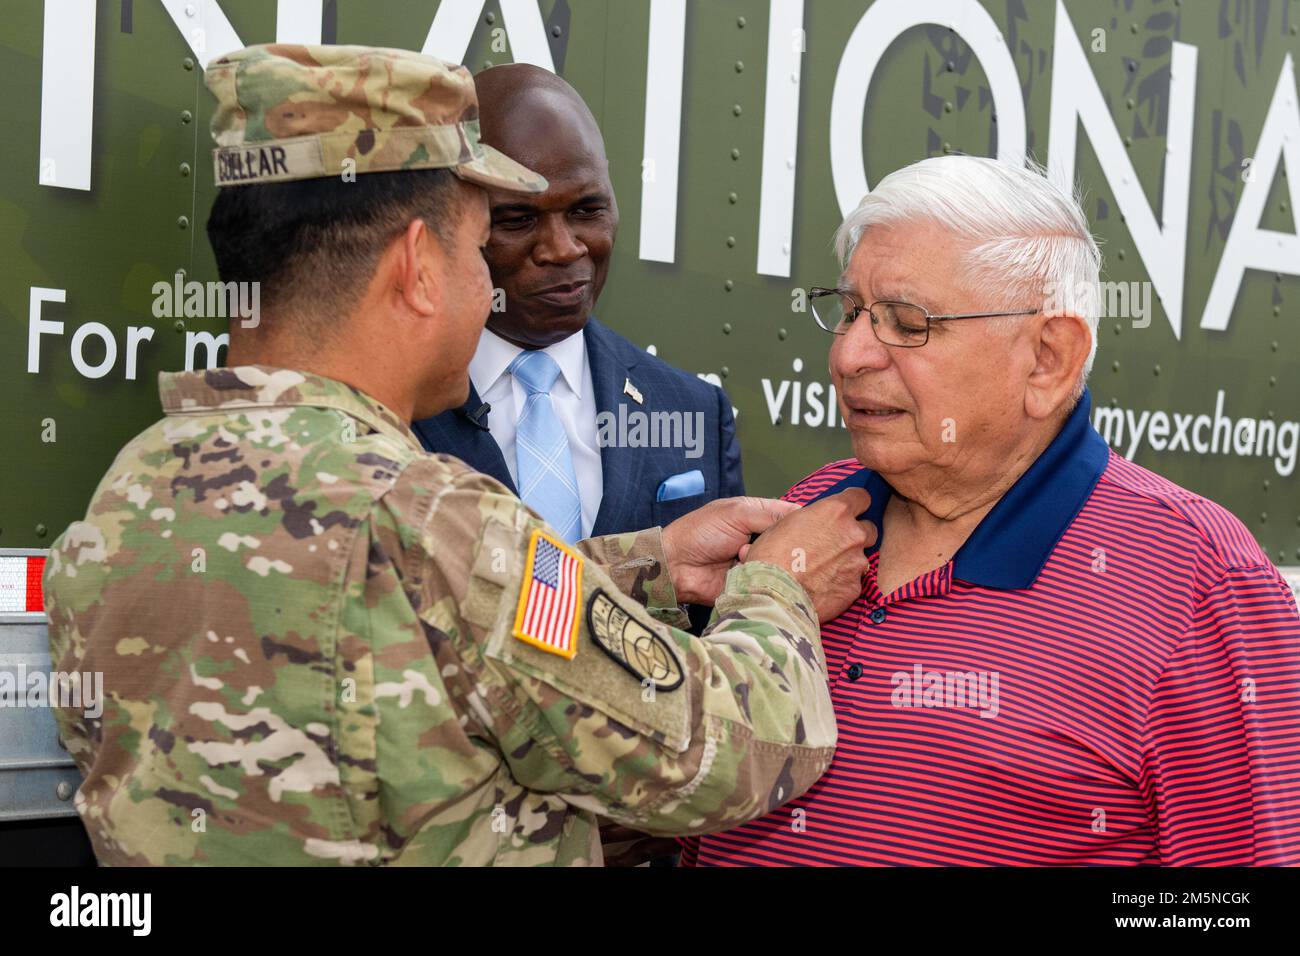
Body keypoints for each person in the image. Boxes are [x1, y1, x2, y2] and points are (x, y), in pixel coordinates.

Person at [41, 43, 874, 866]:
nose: (496, 284)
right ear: (418, 268)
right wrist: (780, 588)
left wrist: (648, 564)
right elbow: (725, 754)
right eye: (481, 248)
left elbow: (405, 621)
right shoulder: (432, 520)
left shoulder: (137, 489)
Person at [682, 155, 1300, 867]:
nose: (848, 355)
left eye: (907, 323)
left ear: (1048, 358)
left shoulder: (1200, 578)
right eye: (850, 311)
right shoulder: (807, 517)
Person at [412, 65, 742, 572]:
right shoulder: (393, 404)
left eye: (588, 210)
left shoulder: (695, 412)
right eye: (518, 220)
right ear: (451, 225)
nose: (564, 249)